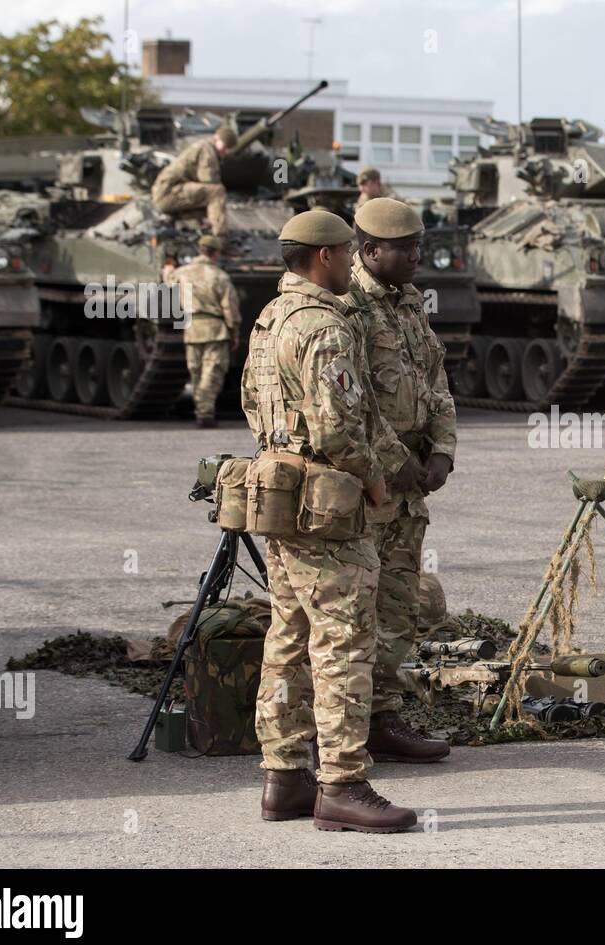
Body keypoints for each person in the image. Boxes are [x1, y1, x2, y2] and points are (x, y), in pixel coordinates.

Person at [240, 209, 416, 834]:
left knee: (287, 637)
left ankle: (284, 778)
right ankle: (342, 783)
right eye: (347, 253)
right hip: (328, 507)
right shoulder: (325, 326)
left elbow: (250, 402)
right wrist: (374, 478)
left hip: (281, 498)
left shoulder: (270, 318)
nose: (351, 262)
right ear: (325, 258)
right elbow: (341, 427)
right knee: (343, 641)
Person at [341, 196, 457, 764]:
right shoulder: (347, 307)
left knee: (397, 607)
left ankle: (383, 718)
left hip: (411, 488)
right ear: (369, 250)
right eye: (405, 249)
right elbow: (349, 398)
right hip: (369, 485)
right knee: (351, 613)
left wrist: (444, 449)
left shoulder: (410, 303)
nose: (416, 257)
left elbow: (435, 379)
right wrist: (392, 458)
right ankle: (341, 729)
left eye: (418, 246)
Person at [172, 235, 241, 428]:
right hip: (215, 329)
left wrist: (167, 270)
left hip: (192, 328)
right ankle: (205, 412)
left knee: (196, 371)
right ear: (216, 253)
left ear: (200, 249)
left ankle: (201, 408)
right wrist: (234, 330)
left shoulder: (182, 272)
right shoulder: (219, 276)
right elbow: (230, 307)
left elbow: (168, 281)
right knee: (212, 372)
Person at [151, 128, 237, 235]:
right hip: (168, 194)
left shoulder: (205, 146)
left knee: (210, 202)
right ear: (217, 138)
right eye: (225, 147)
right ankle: (219, 237)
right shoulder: (207, 150)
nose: (227, 151)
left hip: (167, 194)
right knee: (217, 192)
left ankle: (187, 223)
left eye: (229, 148)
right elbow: (209, 180)